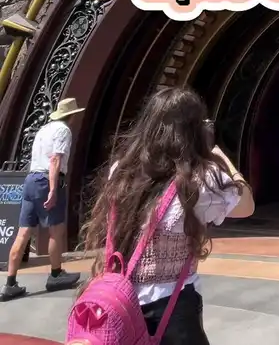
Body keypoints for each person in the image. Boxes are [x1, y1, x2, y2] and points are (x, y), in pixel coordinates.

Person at [80, 86, 255, 345]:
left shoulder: (121, 170)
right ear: (194, 130)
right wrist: (222, 159)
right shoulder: (201, 178)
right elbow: (246, 205)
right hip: (172, 307)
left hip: (119, 300)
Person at [1, 97, 85, 301]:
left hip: (31, 179)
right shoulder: (63, 130)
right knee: (56, 230)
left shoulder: (43, 129)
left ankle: (10, 283)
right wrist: (53, 189)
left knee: (23, 233)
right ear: (71, 115)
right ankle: (55, 274)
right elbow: (55, 159)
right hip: (46, 180)